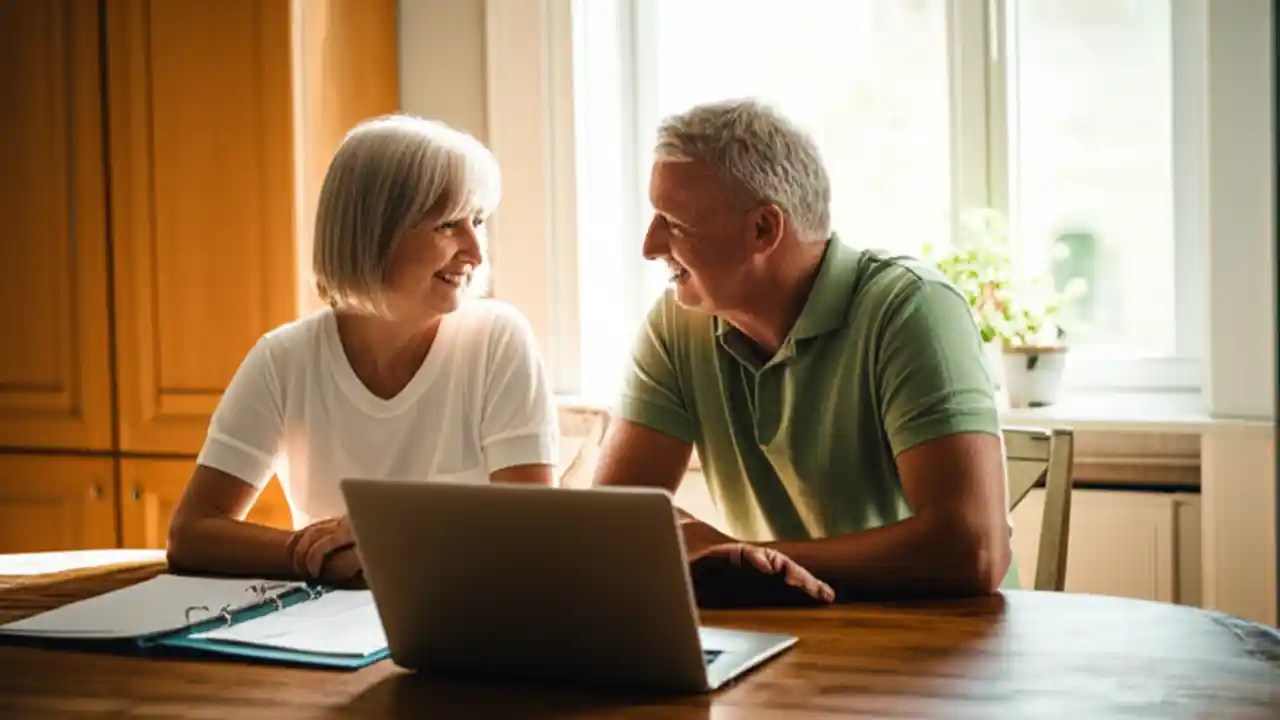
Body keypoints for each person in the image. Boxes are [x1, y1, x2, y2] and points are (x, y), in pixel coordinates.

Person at [594, 99, 1016, 599]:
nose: (649, 244)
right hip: (783, 642)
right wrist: (741, 561)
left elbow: (975, 552)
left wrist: (746, 557)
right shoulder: (676, 323)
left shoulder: (911, 307)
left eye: (673, 222)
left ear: (764, 229)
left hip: (941, 649)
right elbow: (609, 527)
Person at [167, 115, 559, 587]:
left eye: (477, 221)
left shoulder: (498, 340)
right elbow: (191, 532)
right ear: (375, 231)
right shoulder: (283, 359)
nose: (475, 250)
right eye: (448, 225)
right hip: (328, 628)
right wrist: (305, 552)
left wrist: (387, 544)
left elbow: (533, 535)